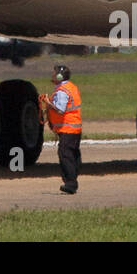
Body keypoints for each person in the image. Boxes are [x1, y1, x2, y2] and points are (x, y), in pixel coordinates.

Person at [41, 63, 82, 194]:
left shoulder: (62, 91)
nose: (52, 75)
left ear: (59, 76)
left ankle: (70, 183)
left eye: (54, 73)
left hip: (67, 128)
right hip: (74, 128)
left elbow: (60, 109)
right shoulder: (71, 87)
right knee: (73, 154)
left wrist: (48, 103)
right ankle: (73, 178)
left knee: (65, 154)